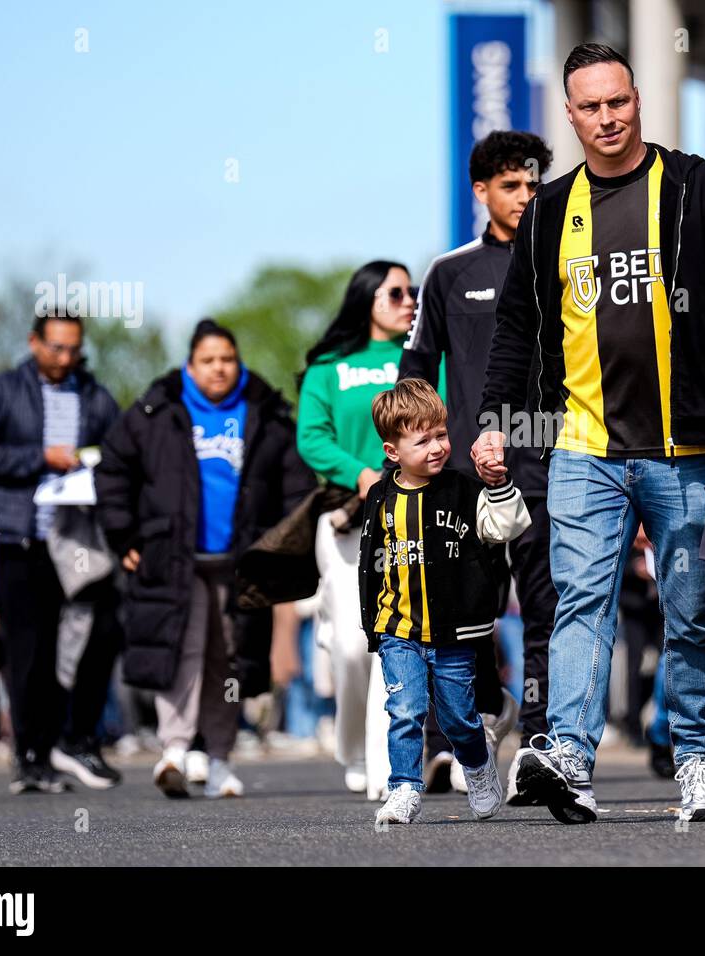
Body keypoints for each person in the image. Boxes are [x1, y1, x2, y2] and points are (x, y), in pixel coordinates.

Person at [474, 42, 705, 824]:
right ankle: (571, 754)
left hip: (687, 450)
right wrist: (496, 424)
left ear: (636, 99)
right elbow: (517, 329)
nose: (608, 118)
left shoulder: (698, 188)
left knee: (690, 607)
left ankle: (699, 762)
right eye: (591, 107)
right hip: (582, 446)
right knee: (581, 601)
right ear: (569, 115)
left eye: (619, 102)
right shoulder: (546, 215)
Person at [96, 319, 313, 798]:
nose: (219, 368)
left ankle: (219, 758)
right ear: (190, 366)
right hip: (174, 559)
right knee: (182, 651)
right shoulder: (156, 411)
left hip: (240, 562)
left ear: (238, 362)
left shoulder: (267, 413)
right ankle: (174, 749)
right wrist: (124, 535)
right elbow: (113, 469)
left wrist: (283, 547)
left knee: (228, 662)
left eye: (227, 359)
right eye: (208, 360)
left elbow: (296, 487)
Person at [399, 129, 552, 802]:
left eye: (532, 184)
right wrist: (410, 457)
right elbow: (412, 372)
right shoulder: (449, 272)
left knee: (549, 611)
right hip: (463, 478)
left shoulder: (567, 263)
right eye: (511, 185)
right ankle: (452, 741)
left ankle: (544, 744)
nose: (524, 196)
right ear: (482, 191)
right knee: (459, 618)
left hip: (551, 467)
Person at [0, 310, 123, 794]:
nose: (65, 357)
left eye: (73, 348)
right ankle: (29, 755)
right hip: (20, 540)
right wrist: (40, 458)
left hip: (78, 542)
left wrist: (95, 466)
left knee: (90, 643)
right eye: (56, 347)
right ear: (34, 342)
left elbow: (119, 455)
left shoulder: (94, 394)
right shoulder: (3, 390)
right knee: (28, 653)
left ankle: (69, 743)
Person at [361, 379, 530, 824]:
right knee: (405, 710)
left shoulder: (463, 490)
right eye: (423, 440)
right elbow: (370, 564)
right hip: (399, 629)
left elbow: (505, 528)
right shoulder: (380, 499)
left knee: (459, 719)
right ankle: (403, 788)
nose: (437, 446)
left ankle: (476, 766)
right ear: (393, 451)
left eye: (441, 434)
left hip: (456, 634)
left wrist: (498, 485)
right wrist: (372, 626)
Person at [297, 261, 415, 799]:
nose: (408, 300)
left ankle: (386, 761)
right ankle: (352, 749)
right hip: (346, 516)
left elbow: (439, 423)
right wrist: (362, 473)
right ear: (368, 299)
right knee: (350, 646)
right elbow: (311, 438)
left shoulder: (420, 360)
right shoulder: (328, 367)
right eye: (396, 292)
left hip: (410, 514)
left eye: (412, 292)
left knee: (391, 637)